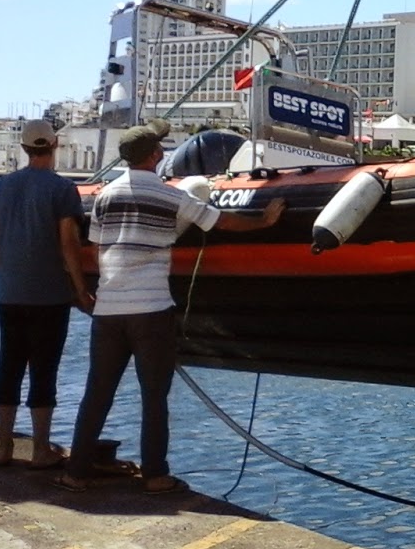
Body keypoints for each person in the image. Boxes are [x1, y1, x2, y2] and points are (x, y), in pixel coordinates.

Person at [57, 119, 284, 494]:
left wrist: (85, 292)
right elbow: (220, 222)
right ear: (155, 156)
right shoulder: (171, 196)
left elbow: (97, 249)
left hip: (109, 308)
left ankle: (75, 473)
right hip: (151, 308)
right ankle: (155, 475)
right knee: (154, 396)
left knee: (97, 393)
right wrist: (265, 218)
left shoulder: (105, 197)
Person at [0, 120, 92, 469]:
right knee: (44, 370)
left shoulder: (3, 185)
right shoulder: (63, 189)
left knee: (9, 365)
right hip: (49, 294)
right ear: (55, 144)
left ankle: (4, 447)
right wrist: (80, 290)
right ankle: (40, 449)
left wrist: (5, 274)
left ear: (23, 147)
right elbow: (69, 243)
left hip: (10, 291)